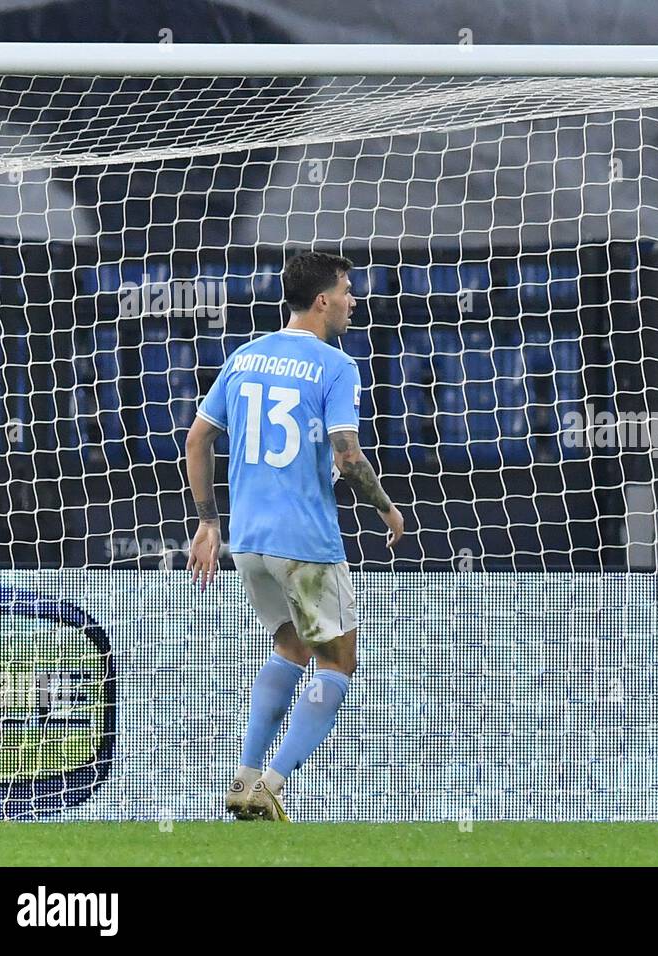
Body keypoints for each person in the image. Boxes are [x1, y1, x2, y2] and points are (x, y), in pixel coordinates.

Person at [185, 251, 405, 821]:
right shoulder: (336, 366)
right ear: (322, 299)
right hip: (305, 540)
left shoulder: (243, 357)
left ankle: (243, 776)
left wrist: (209, 521)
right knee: (337, 662)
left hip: (250, 543)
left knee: (289, 647)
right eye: (347, 289)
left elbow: (197, 438)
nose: (355, 300)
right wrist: (384, 506)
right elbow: (346, 452)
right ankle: (272, 783)